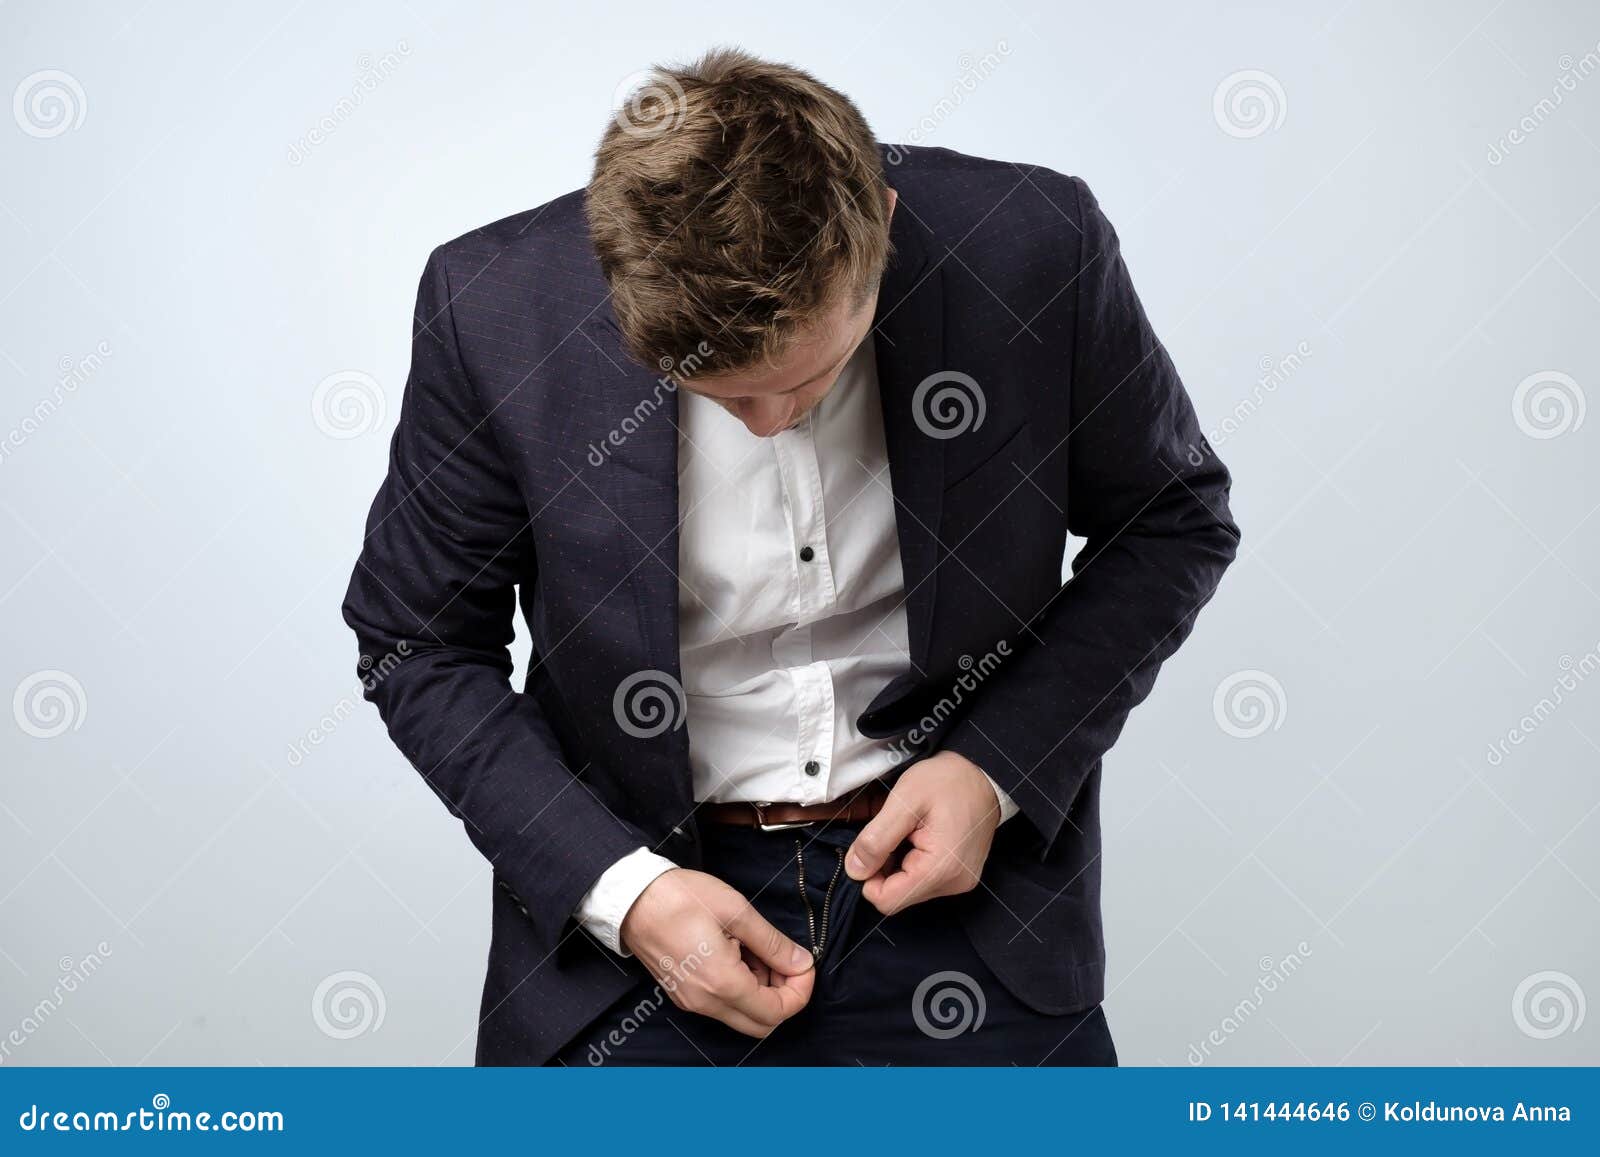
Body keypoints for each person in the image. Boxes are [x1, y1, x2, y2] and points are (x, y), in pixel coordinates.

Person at [342, 47, 1239, 1065]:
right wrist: (622, 891)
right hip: (639, 920)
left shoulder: (1036, 243)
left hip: (972, 906)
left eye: (806, 381)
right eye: (724, 395)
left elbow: (1170, 519)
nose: (768, 425)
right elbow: (415, 638)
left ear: (883, 228)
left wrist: (996, 769)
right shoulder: (496, 305)